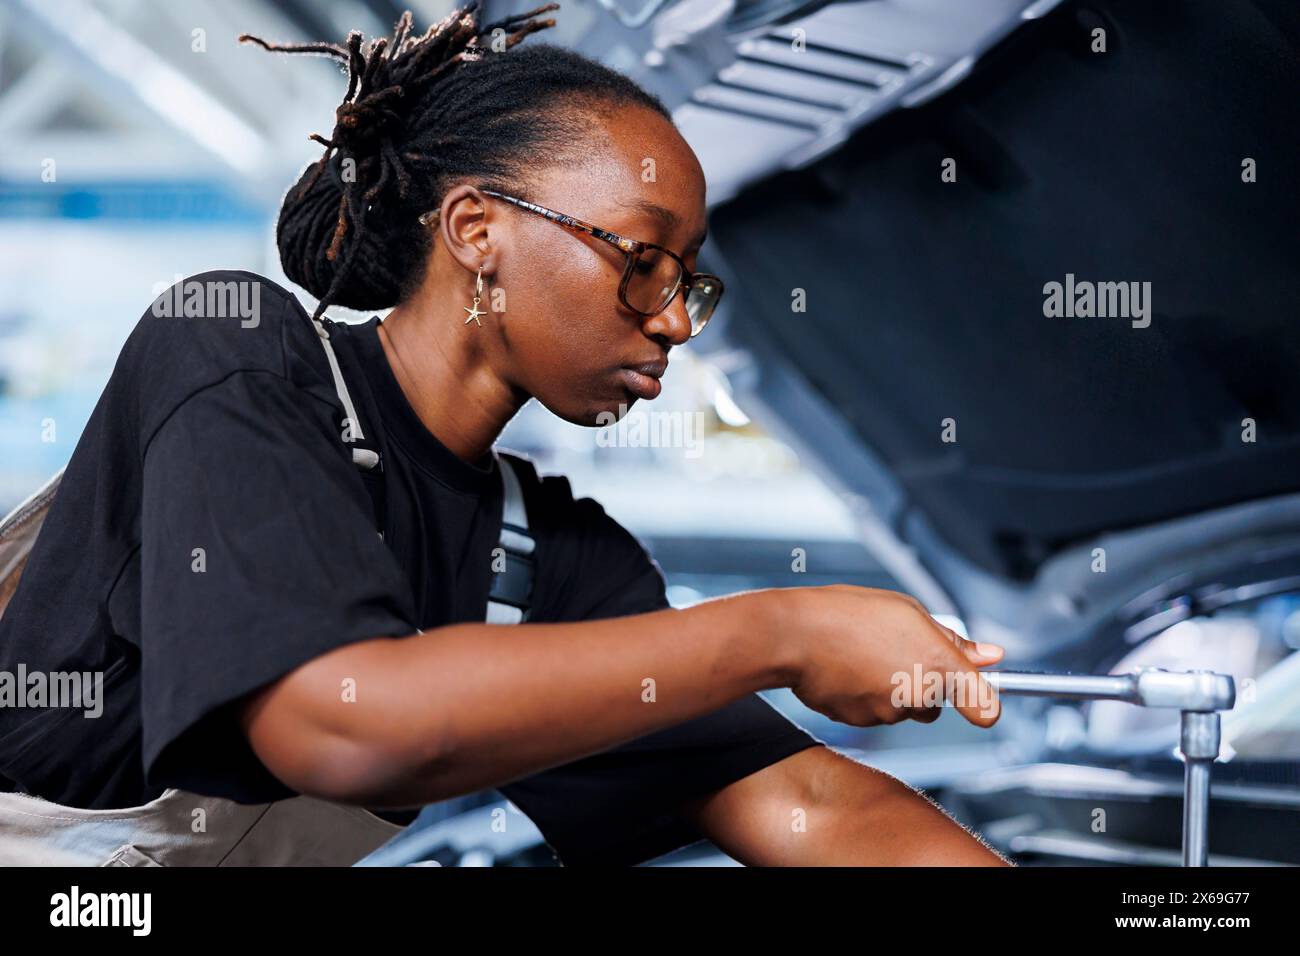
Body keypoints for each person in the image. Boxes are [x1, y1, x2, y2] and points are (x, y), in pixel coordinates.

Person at [0, 3, 1010, 867]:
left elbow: (812, 809)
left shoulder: (545, 558)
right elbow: (340, 722)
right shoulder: (237, 351)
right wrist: (784, 631)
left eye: (687, 279)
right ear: (478, 230)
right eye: (643, 257)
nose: (671, 318)